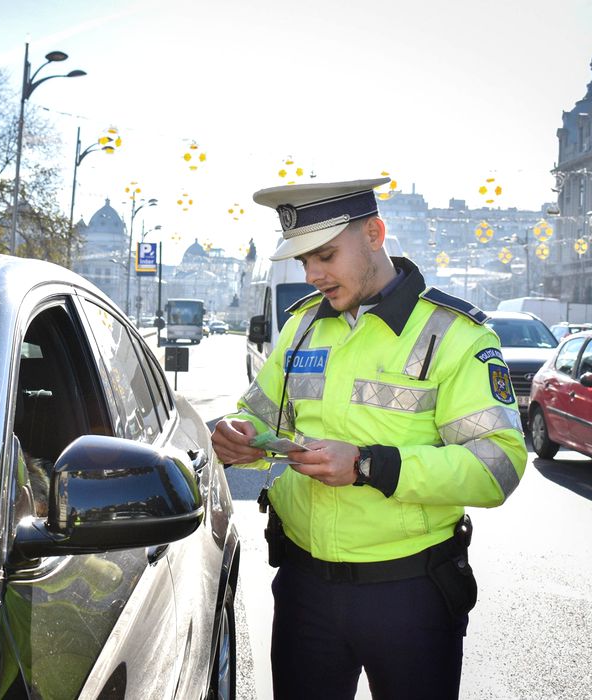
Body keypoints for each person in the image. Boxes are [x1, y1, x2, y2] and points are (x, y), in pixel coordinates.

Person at [211, 177, 527, 699]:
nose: (312, 275)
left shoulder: (456, 335)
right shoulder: (303, 327)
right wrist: (238, 437)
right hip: (304, 589)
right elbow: (258, 415)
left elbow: (498, 468)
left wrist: (368, 465)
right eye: (304, 262)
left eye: (325, 256)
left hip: (409, 596)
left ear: (375, 234)